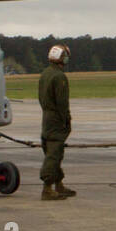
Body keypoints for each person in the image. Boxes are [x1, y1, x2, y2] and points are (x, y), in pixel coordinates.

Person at [38, 44, 75, 200]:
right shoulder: (59, 77)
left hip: (47, 117)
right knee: (54, 153)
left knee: (54, 151)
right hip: (56, 119)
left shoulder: (45, 73)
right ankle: (47, 188)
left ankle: (58, 185)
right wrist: (66, 120)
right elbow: (62, 102)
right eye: (65, 55)